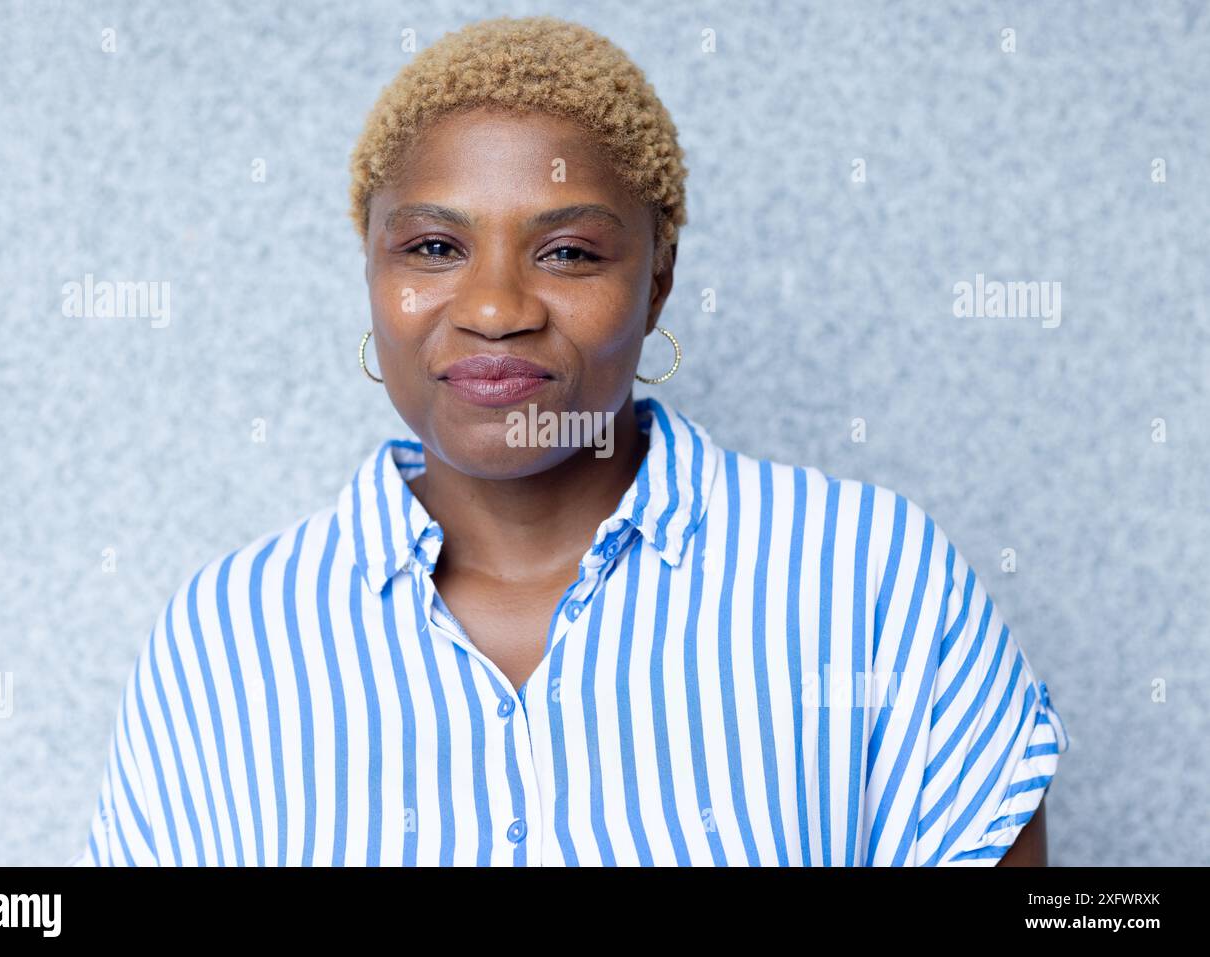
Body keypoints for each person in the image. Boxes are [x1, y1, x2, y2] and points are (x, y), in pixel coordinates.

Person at [70, 14, 1068, 866]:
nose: (497, 307)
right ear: (373, 276)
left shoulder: (867, 578)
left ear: (658, 278)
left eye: (567, 253)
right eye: (432, 248)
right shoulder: (227, 637)